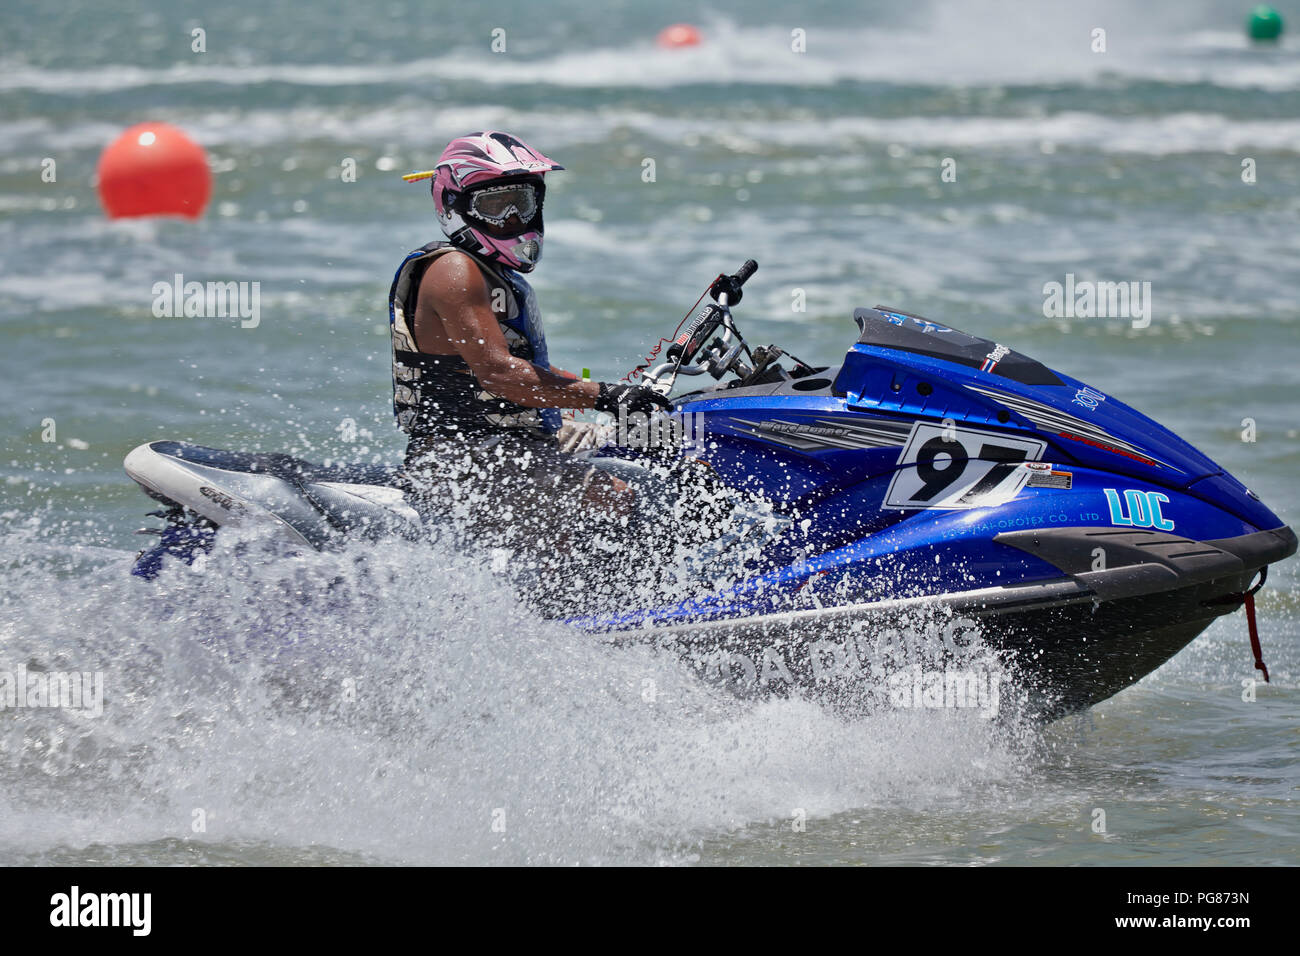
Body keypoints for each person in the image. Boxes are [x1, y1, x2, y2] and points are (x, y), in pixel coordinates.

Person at [388, 130, 670, 547]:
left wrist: (619, 397)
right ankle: (567, 606)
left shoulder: (492, 274)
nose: (513, 220)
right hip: (464, 458)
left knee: (662, 441)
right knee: (616, 499)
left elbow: (524, 369)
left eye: (522, 202)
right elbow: (499, 374)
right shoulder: (453, 271)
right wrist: (605, 396)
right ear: (453, 207)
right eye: (495, 206)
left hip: (517, 439)